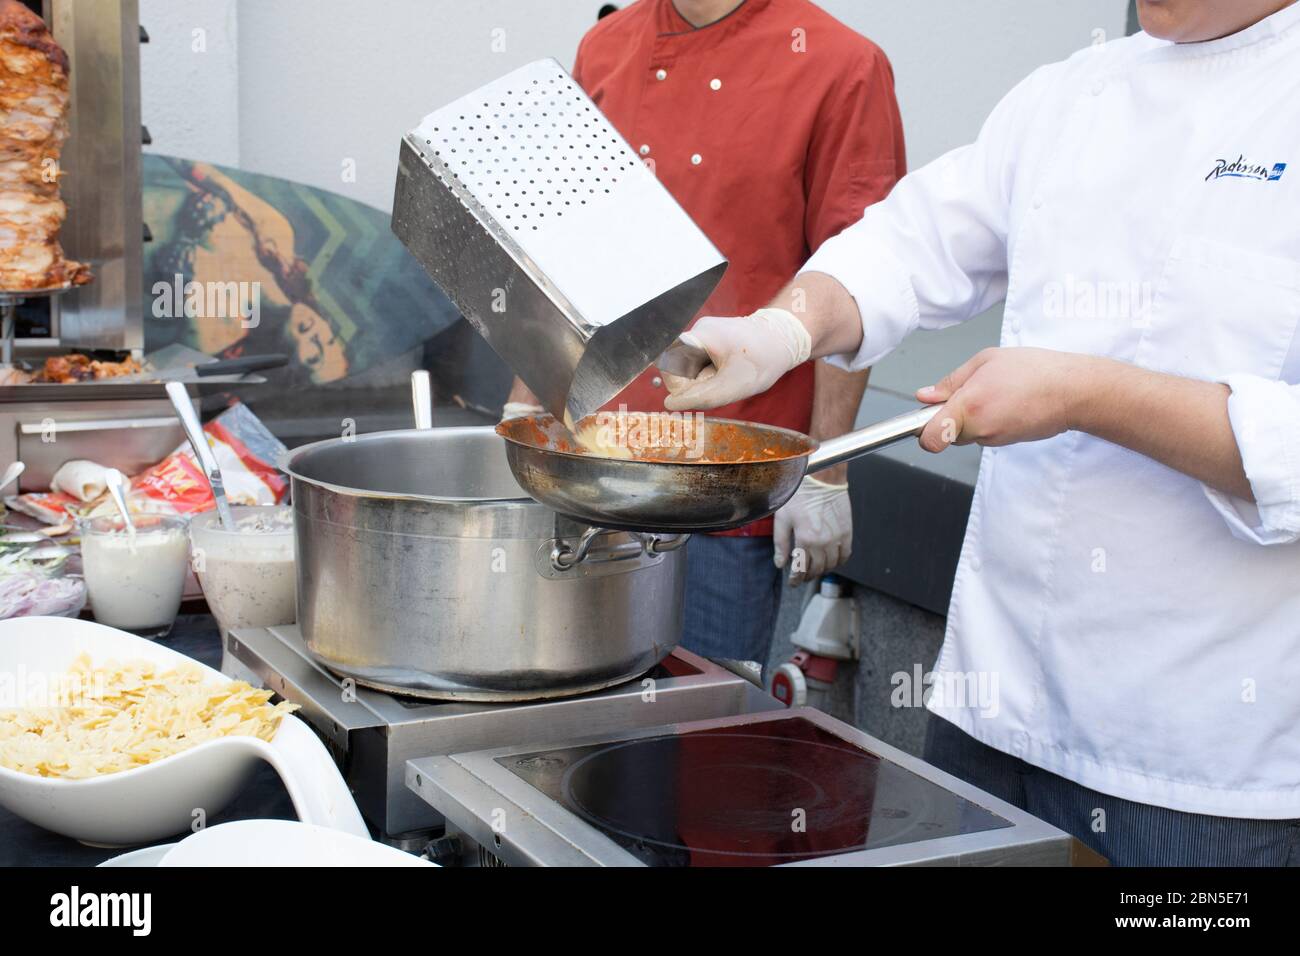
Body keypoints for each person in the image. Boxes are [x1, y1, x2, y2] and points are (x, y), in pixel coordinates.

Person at [659, 0, 1300, 865]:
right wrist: (782, 331)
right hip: (992, 717)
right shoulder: (1073, 94)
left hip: (1199, 770)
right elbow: (907, 245)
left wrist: (1081, 393)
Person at [504, 0, 905, 664]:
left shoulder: (842, 64)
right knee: (570, 728)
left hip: (725, 485)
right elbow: (573, 253)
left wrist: (827, 469)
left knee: (693, 738)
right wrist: (528, 396)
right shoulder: (606, 46)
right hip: (588, 467)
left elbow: (860, 273)